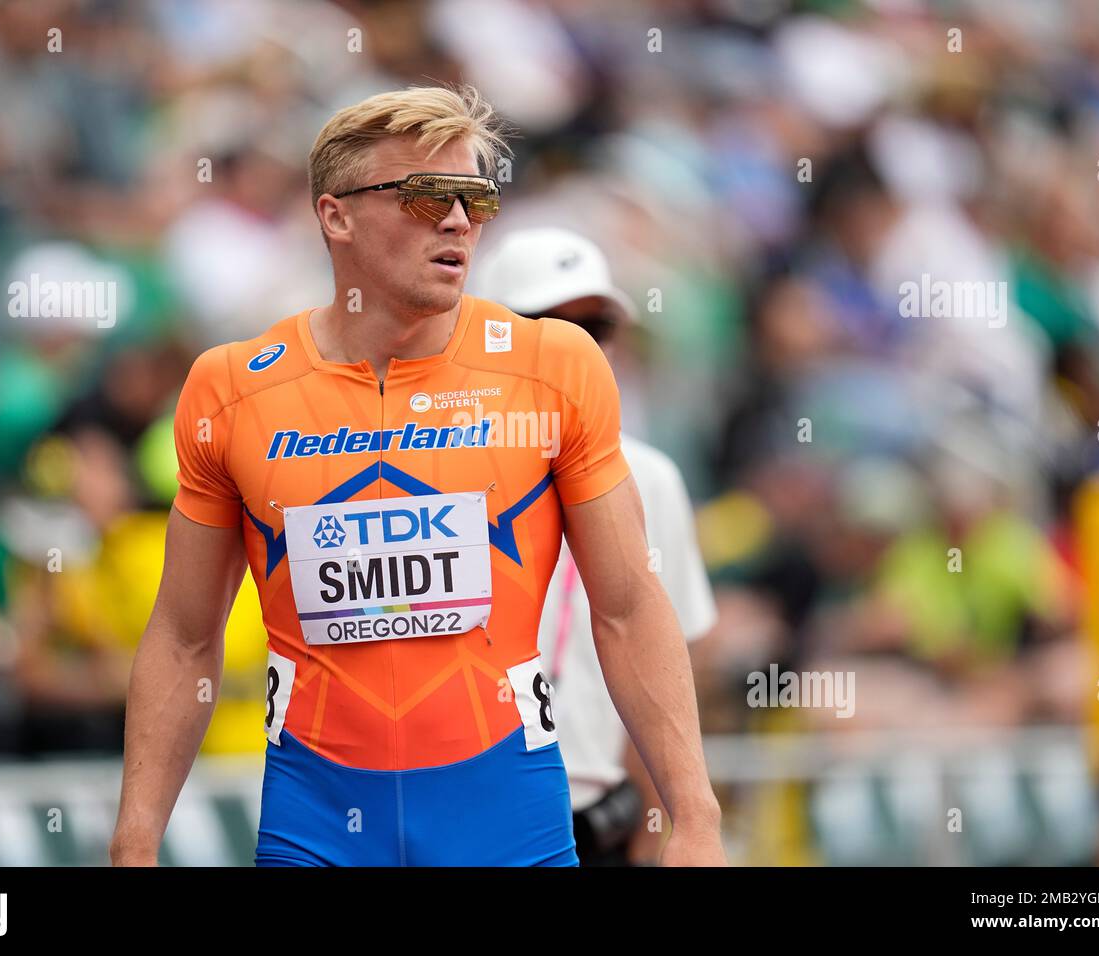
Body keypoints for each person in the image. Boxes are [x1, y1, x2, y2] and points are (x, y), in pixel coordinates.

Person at [110, 85, 726, 867]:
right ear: (335, 216)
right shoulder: (232, 388)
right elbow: (184, 634)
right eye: (428, 196)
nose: (458, 221)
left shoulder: (554, 366)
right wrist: (134, 840)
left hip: (507, 818)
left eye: (476, 198)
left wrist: (694, 817)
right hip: (318, 821)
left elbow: (630, 608)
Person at [476, 228, 719, 865]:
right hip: (467, 811)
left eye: (596, 326)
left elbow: (671, 663)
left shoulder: (652, 479)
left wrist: (663, 815)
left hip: (599, 820)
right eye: (548, 324)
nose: (577, 347)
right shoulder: (431, 470)